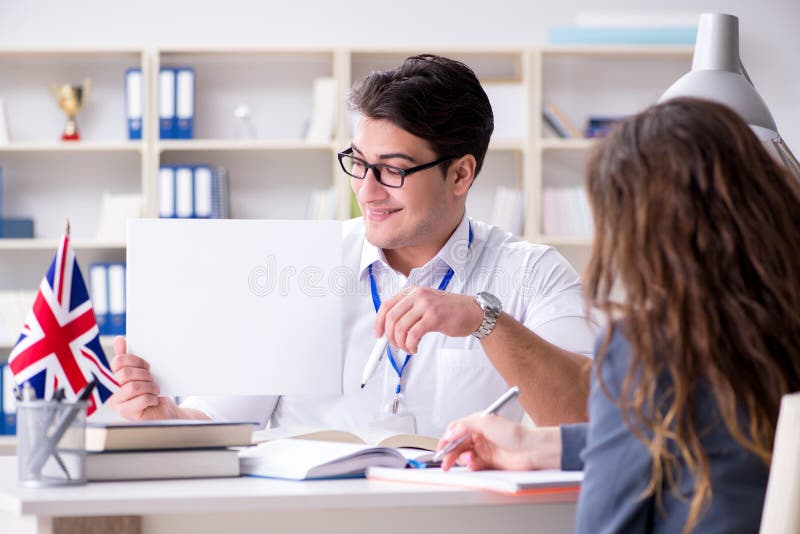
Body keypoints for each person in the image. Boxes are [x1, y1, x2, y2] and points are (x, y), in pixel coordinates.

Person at [108, 54, 596, 437]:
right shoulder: (290, 268)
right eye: (359, 163)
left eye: (393, 170)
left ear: (461, 173)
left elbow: (581, 417)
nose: (366, 190)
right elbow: (218, 423)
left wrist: (484, 320)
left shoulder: (534, 274)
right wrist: (163, 413)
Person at [437, 98, 800, 533]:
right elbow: (693, 438)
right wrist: (538, 444)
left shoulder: (649, 349)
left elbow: (608, 523)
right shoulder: (773, 326)